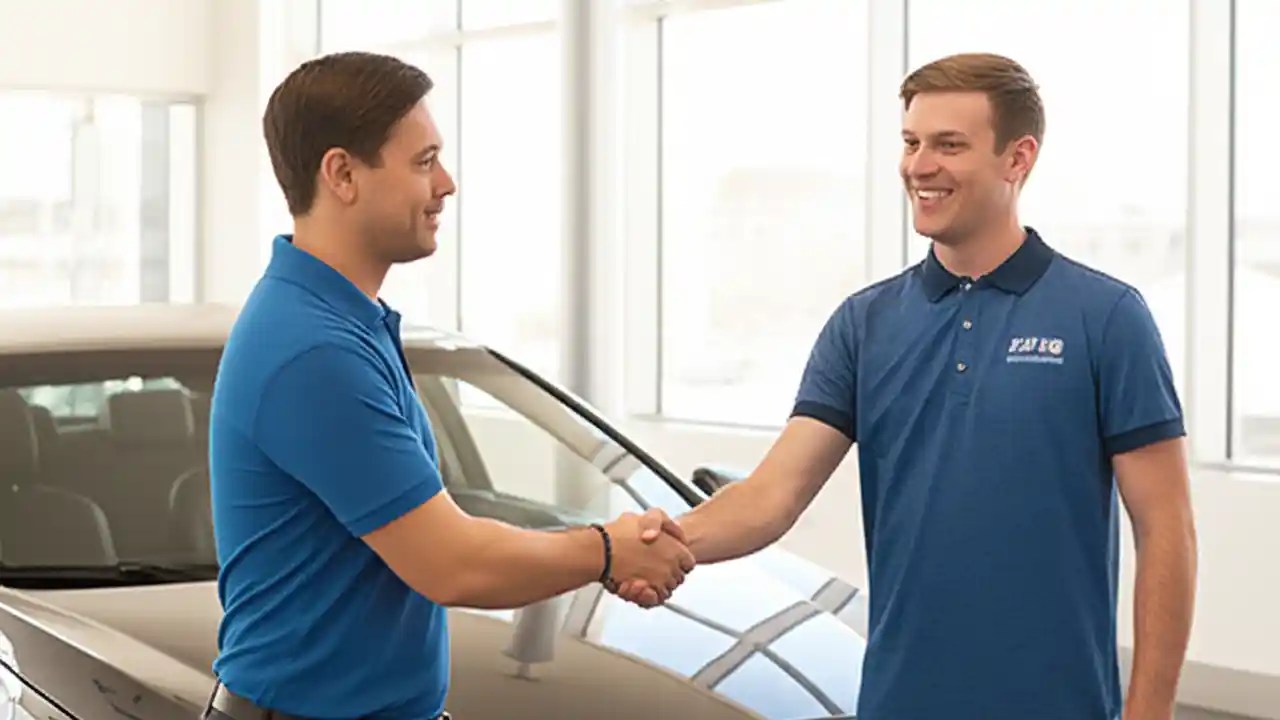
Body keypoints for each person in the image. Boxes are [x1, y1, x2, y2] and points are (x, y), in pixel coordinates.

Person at [617, 52, 1197, 720]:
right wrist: (657, 541)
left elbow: (1166, 529)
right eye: (912, 142)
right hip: (901, 701)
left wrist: (1149, 711)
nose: (920, 165)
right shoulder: (865, 324)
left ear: (1018, 159)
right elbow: (770, 499)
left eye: (950, 145)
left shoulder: (1106, 318)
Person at [204, 51, 695, 720]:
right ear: (342, 173)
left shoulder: (341, 324)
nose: (448, 184)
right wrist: (607, 550)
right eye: (423, 161)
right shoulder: (310, 350)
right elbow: (451, 563)